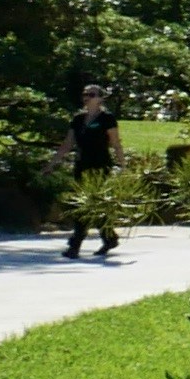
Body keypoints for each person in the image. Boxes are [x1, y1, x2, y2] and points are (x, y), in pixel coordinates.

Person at [58, 82, 124, 258]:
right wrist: (52, 164)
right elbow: (67, 144)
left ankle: (75, 245)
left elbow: (116, 143)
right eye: (85, 94)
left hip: (100, 166)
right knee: (87, 204)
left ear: (101, 98)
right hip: (82, 165)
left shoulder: (107, 118)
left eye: (92, 95)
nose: (87, 98)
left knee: (88, 204)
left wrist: (123, 165)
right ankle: (109, 238)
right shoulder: (78, 119)